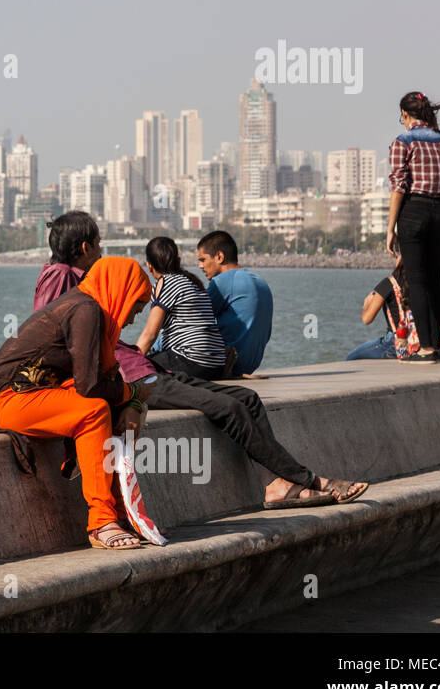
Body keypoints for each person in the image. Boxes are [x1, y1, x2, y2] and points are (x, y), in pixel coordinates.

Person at [35, 212, 368, 512]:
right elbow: (58, 338)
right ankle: (308, 479)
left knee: (246, 398)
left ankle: (279, 483)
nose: (102, 252)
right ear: (85, 246)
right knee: (229, 408)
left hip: (145, 367)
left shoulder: (82, 277)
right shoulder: (61, 276)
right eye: (99, 245)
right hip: (131, 377)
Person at [0, 255, 156, 550]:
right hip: (6, 400)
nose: (134, 317)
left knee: (106, 407)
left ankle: (119, 509)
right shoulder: (85, 310)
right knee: (95, 410)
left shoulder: (91, 307)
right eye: (136, 306)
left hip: (33, 394)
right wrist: (133, 395)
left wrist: (132, 404)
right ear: (119, 291)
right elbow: (91, 386)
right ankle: (100, 521)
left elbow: (102, 379)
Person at [385, 92, 440, 363]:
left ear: (405, 114)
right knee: (435, 279)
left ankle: (426, 348)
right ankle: (437, 346)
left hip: (413, 211)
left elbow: (398, 186)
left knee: (416, 281)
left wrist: (390, 227)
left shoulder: (403, 141)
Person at [136, 236, 230, 380]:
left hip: (192, 360)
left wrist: (132, 361)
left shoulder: (165, 283)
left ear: (149, 266)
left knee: (139, 368)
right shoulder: (192, 281)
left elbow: (150, 334)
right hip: (216, 364)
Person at [197, 230, 273, 377]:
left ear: (219, 257)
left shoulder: (222, 282)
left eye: (202, 260)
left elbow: (190, 321)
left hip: (224, 365)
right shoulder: (260, 281)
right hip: (249, 366)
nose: (200, 266)